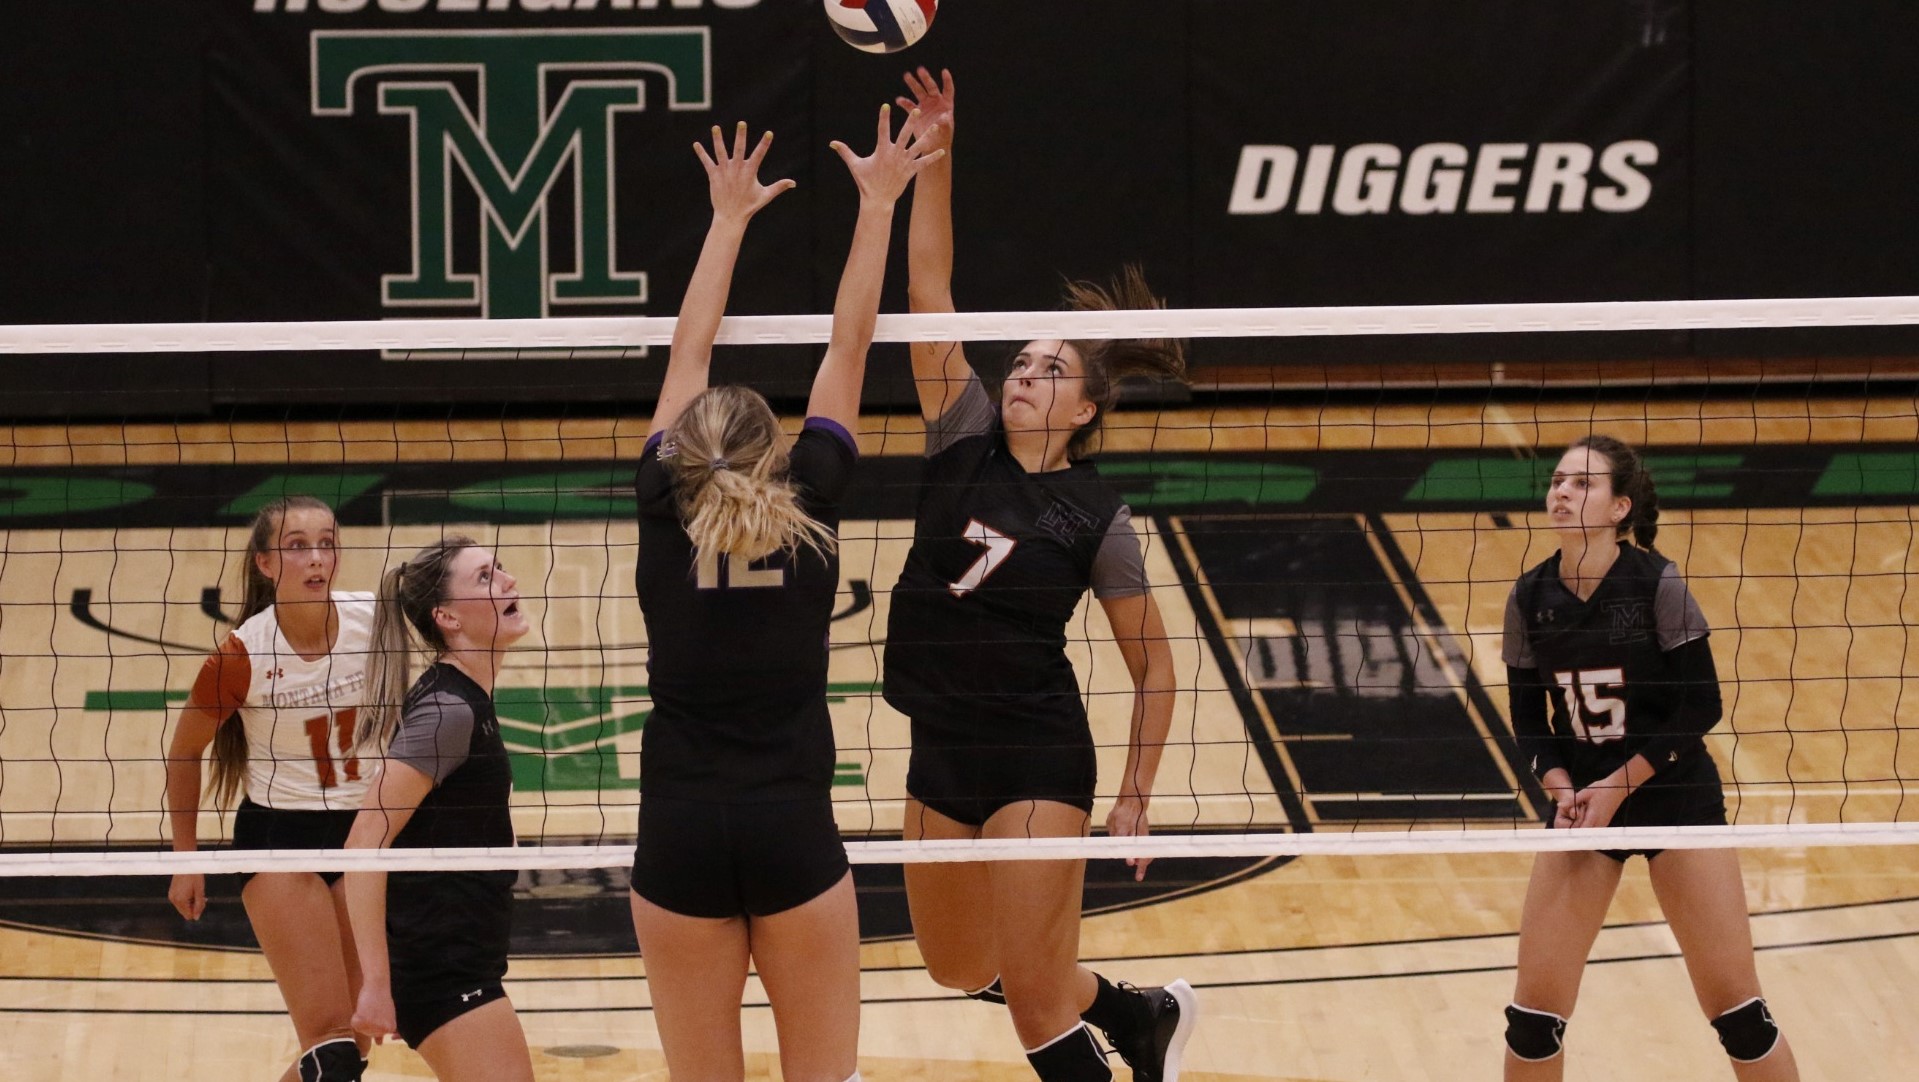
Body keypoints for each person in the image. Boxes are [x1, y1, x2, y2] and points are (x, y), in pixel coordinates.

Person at [888, 68, 1196, 1082]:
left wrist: (1135, 795)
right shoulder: (960, 433)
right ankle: (1135, 1013)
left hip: (1035, 754)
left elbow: (1154, 667)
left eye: (1049, 369)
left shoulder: (1096, 516)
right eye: (1021, 361)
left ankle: (1106, 1033)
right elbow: (927, 291)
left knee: (1029, 997)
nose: (1023, 373)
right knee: (957, 966)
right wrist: (935, 154)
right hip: (938, 745)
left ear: (1085, 410)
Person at [626, 110, 940, 1082]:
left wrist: (726, 220)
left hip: (676, 828)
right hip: (789, 823)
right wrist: (877, 206)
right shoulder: (811, 498)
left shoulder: (659, 502)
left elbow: (687, 352)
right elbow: (849, 347)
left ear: (685, 451)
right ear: (776, 448)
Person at [1499, 435, 1800, 1080]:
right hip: (1586, 807)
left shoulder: (1657, 583)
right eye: (1557, 480)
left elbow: (1701, 705)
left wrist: (1619, 784)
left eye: (1582, 483)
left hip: (1675, 798)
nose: (1561, 491)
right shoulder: (1528, 597)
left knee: (1741, 1016)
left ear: (1620, 508)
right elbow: (1528, 719)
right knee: (1531, 1022)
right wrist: (1560, 785)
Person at [164, 495, 373, 1082]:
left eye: (327, 543)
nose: (317, 558)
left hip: (365, 838)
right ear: (265, 563)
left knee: (352, 1045)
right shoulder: (242, 655)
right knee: (331, 1049)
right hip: (283, 838)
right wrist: (186, 859)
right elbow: (184, 752)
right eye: (297, 546)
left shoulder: (377, 620)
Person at [342, 537, 532, 1081]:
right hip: (441, 972)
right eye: (484, 577)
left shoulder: (467, 698)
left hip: (464, 961)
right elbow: (362, 845)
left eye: (500, 567)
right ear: (447, 617)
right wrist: (377, 984)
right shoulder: (448, 710)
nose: (508, 581)